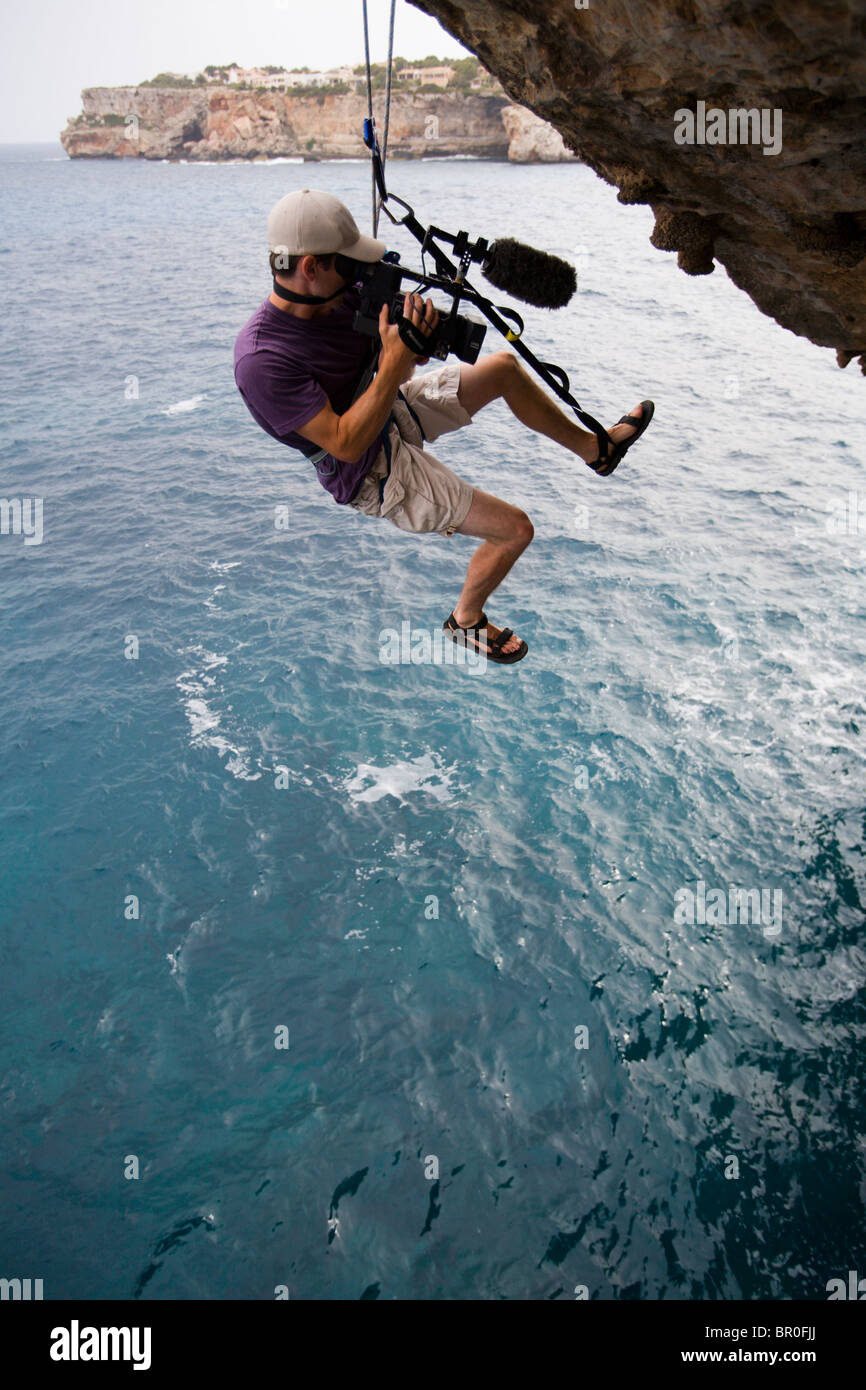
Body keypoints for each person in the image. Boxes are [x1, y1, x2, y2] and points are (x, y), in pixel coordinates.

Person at [234, 189, 654, 665]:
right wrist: (394, 364)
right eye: (347, 266)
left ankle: (597, 451)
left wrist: (414, 345)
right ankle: (467, 620)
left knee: (503, 370)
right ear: (310, 268)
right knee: (515, 529)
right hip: (367, 469)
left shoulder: (340, 298)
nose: (356, 278)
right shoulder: (262, 360)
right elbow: (346, 443)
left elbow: (396, 365)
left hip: (381, 408)